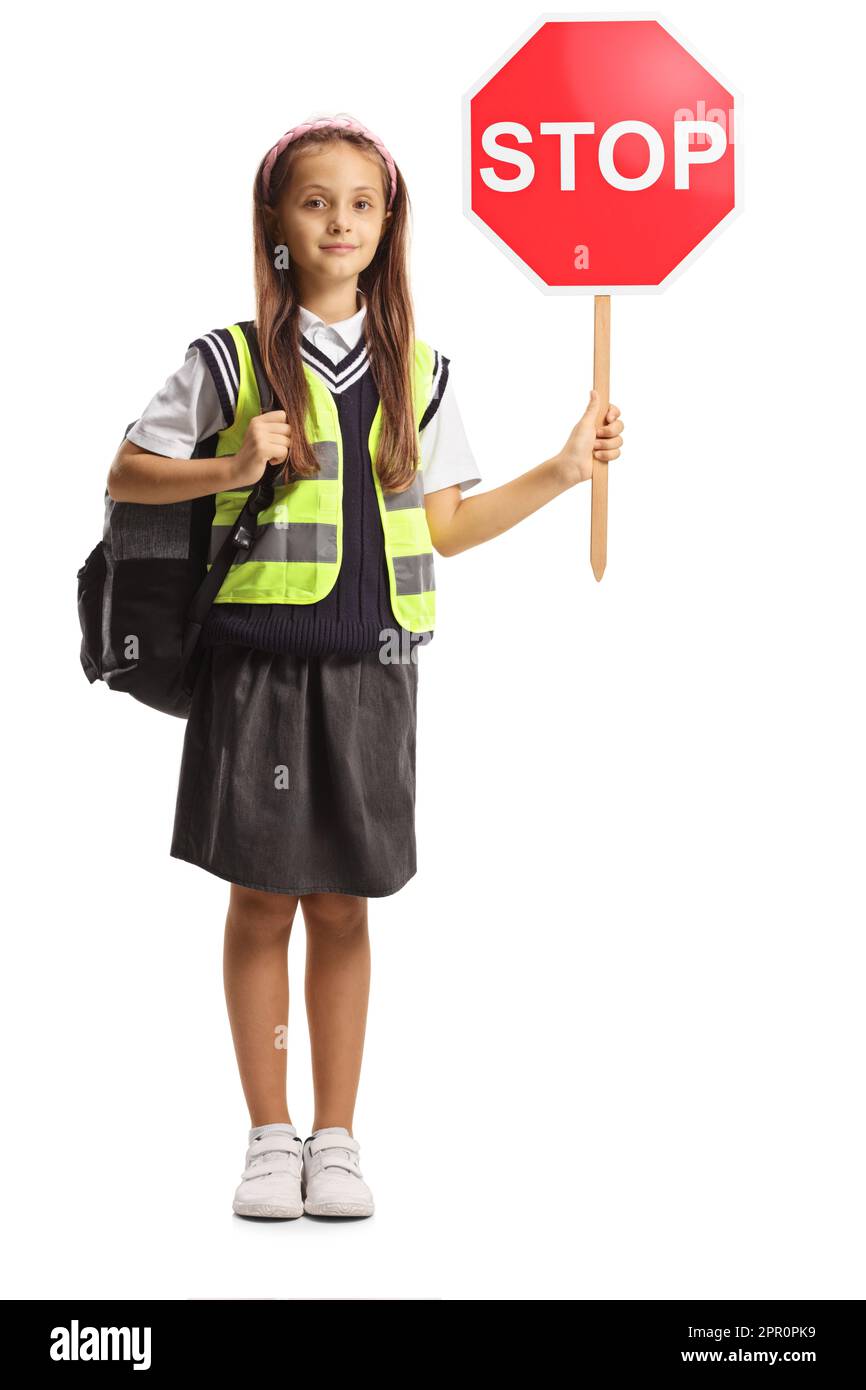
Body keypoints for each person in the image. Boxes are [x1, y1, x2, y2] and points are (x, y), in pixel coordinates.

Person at [107, 112, 626, 1222]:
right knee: (260, 897)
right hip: (254, 668)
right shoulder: (228, 360)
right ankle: (264, 1137)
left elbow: (441, 524)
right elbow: (127, 472)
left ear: (387, 226)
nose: (339, 219)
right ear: (277, 227)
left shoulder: (421, 374)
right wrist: (231, 462)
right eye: (314, 201)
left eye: (360, 203)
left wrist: (559, 470)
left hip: (375, 672)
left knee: (343, 904)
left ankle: (334, 1137)